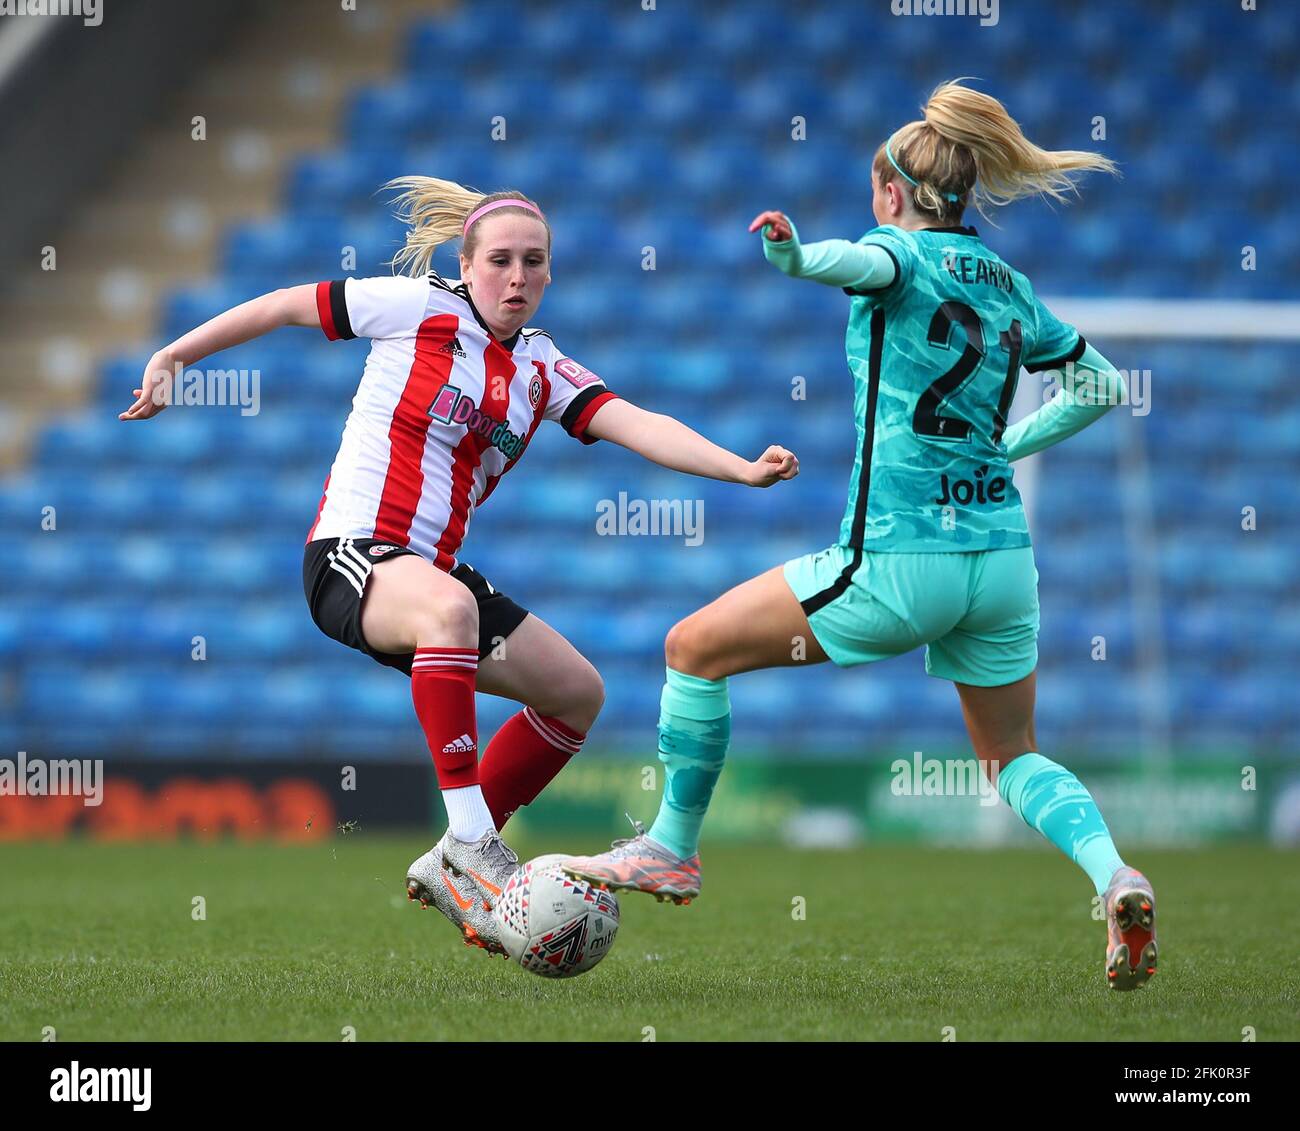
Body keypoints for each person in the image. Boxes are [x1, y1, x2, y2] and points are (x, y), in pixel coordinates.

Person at [563, 81, 1158, 990]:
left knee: (692, 648)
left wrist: (797, 257)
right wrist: (1013, 438)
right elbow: (1103, 384)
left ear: (892, 191)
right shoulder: (1009, 284)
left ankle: (670, 850)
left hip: (898, 555)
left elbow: (861, 265)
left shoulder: (895, 250)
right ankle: (1114, 874)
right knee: (1010, 756)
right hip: (1000, 558)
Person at [121, 179, 799, 956]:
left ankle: (459, 854)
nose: (517, 276)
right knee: (450, 611)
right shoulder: (415, 308)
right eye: (501, 260)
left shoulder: (542, 367)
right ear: (467, 265)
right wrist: (176, 353)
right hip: (354, 557)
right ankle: (472, 837)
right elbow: (283, 304)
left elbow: (636, 423)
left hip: (435, 574)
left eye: (533, 262)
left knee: (577, 692)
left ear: (549, 275)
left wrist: (740, 469)